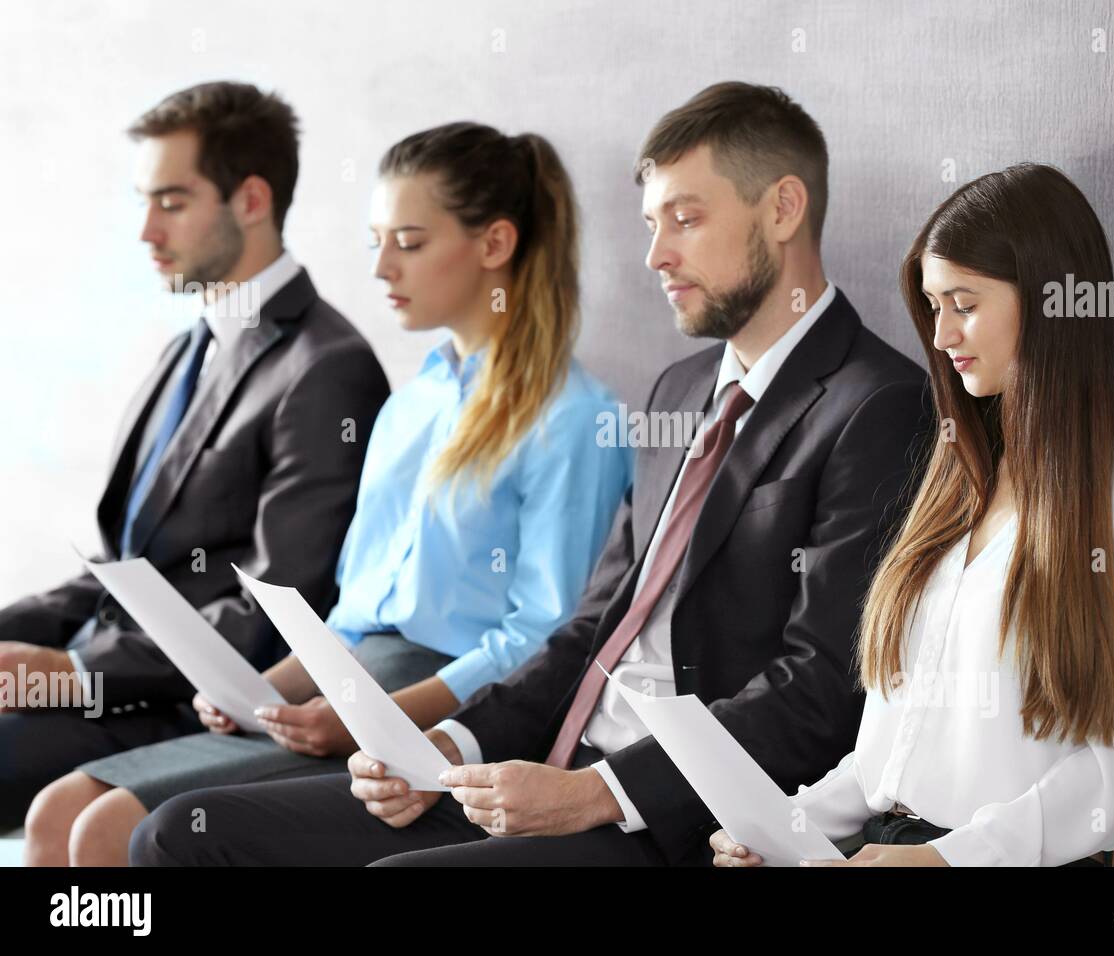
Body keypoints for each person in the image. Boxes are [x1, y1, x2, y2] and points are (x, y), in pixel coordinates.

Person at [130, 80, 933, 868]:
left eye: (686, 219)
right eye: (652, 223)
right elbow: (592, 625)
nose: (656, 254)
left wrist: (597, 792)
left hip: (669, 816)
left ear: (784, 208)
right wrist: (445, 743)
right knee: (177, 832)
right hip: (538, 763)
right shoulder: (679, 390)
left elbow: (821, 690)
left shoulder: (879, 404)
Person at [24, 122, 633, 865]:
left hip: (442, 705)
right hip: (346, 685)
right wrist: (259, 688)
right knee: (62, 814)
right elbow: (350, 615)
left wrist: (370, 714)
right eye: (376, 239)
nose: (381, 267)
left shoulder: (576, 418)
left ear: (495, 245)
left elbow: (543, 635)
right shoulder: (409, 406)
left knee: (111, 829)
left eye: (408, 242)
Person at [710, 162, 1114, 868]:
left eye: (964, 303)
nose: (942, 336)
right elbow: (891, 753)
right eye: (933, 306)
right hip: (888, 846)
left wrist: (947, 860)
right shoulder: (958, 475)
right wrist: (786, 824)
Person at [0, 81, 390, 830]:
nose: (147, 229)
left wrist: (71, 676)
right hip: (114, 682)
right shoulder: (189, 345)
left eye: (172, 202)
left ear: (250, 199)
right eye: (144, 200)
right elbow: (121, 567)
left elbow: (276, 612)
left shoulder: (325, 367)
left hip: (190, 709)